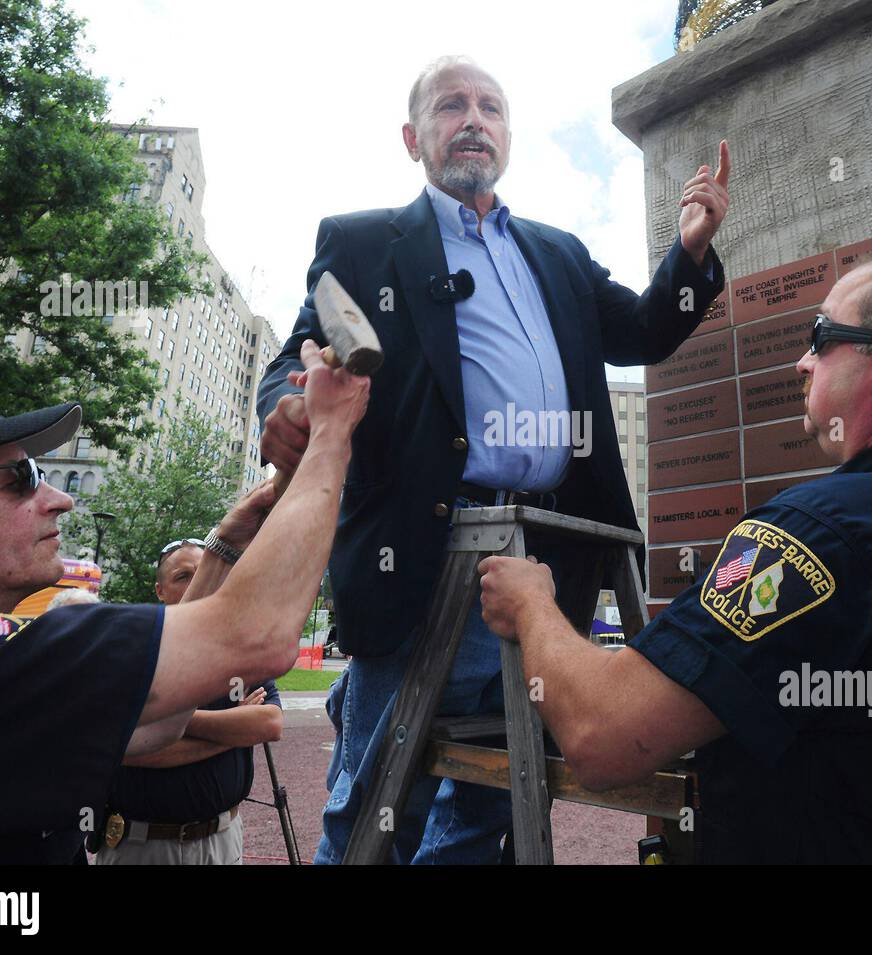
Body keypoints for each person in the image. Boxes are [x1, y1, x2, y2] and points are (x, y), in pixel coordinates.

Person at [479, 237, 872, 864]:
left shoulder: (817, 533)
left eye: (822, 336)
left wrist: (531, 605)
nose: (802, 361)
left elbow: (603, 735)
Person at [256, 55, 732, 864]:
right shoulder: (366, 243)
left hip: (547, 566)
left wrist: (690, 253)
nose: (473, 118)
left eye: (490, 107)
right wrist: (285, 408)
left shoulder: (560, 255)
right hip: (419, 557)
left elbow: (649, 331)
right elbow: (292, 360)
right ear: (415, 138)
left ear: (507, 135)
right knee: (376, 805)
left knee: (489, 807)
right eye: (451, 106)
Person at [0, 340, 367, 863]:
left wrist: (224, 547)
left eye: (43, 475)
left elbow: (157, 723)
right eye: (18, 480)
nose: (60, 498)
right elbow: (255, 635)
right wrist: (330, 435)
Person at [92, 539, 283, 865]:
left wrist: (166, 720)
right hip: (144, 846)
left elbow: (269, 724)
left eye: (208, 572)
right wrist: (236, 729)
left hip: (222, 842)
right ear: (159, 590)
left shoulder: (241, 652)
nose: (199, 582)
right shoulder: (129, 649)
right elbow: (136, 754)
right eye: (184, 576)